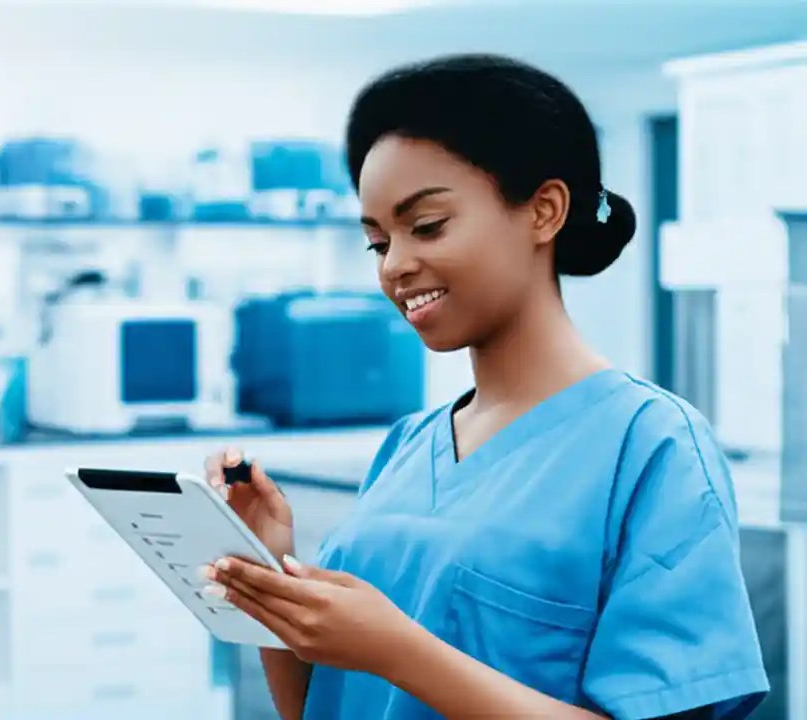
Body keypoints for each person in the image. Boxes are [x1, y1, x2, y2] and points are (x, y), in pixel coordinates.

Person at [202, 54, 769, 720]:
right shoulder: (409, 444)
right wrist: (271, 566)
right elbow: (330, 705)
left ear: (544, 211)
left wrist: (397, 650)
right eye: (377, 242)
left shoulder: (651, 447)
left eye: (427, 227)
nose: (397, 267)